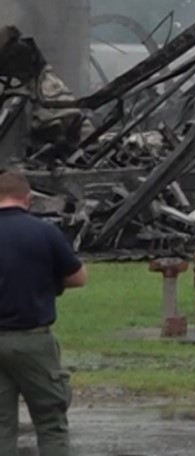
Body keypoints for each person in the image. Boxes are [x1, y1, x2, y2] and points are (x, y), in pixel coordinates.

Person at [0, 167, 84, 456]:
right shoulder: (45, 232)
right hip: (32, 339)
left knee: (1, 426)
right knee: (50, 421)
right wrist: (48, 281)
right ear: (27, 199)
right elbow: (78, 277)